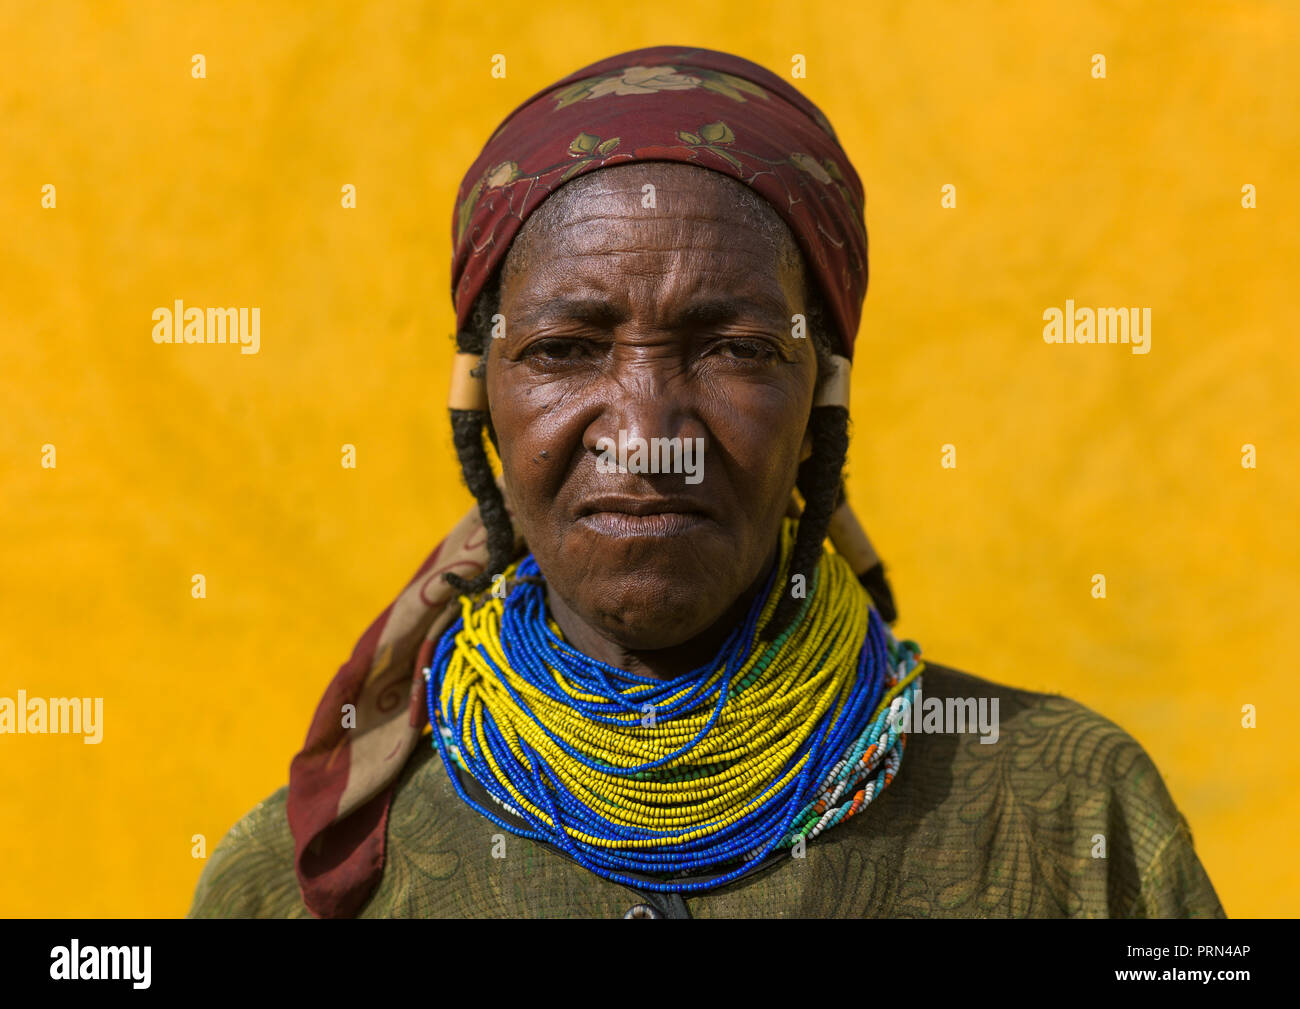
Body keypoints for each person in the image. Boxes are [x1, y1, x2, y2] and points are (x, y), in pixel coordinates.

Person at [189, 46, 1224, 919]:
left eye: (732, 348)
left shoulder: (1070, 815)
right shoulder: (296, 881)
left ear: (821, 396)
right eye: (563, 348)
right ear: (479, 402)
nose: (646, 436)